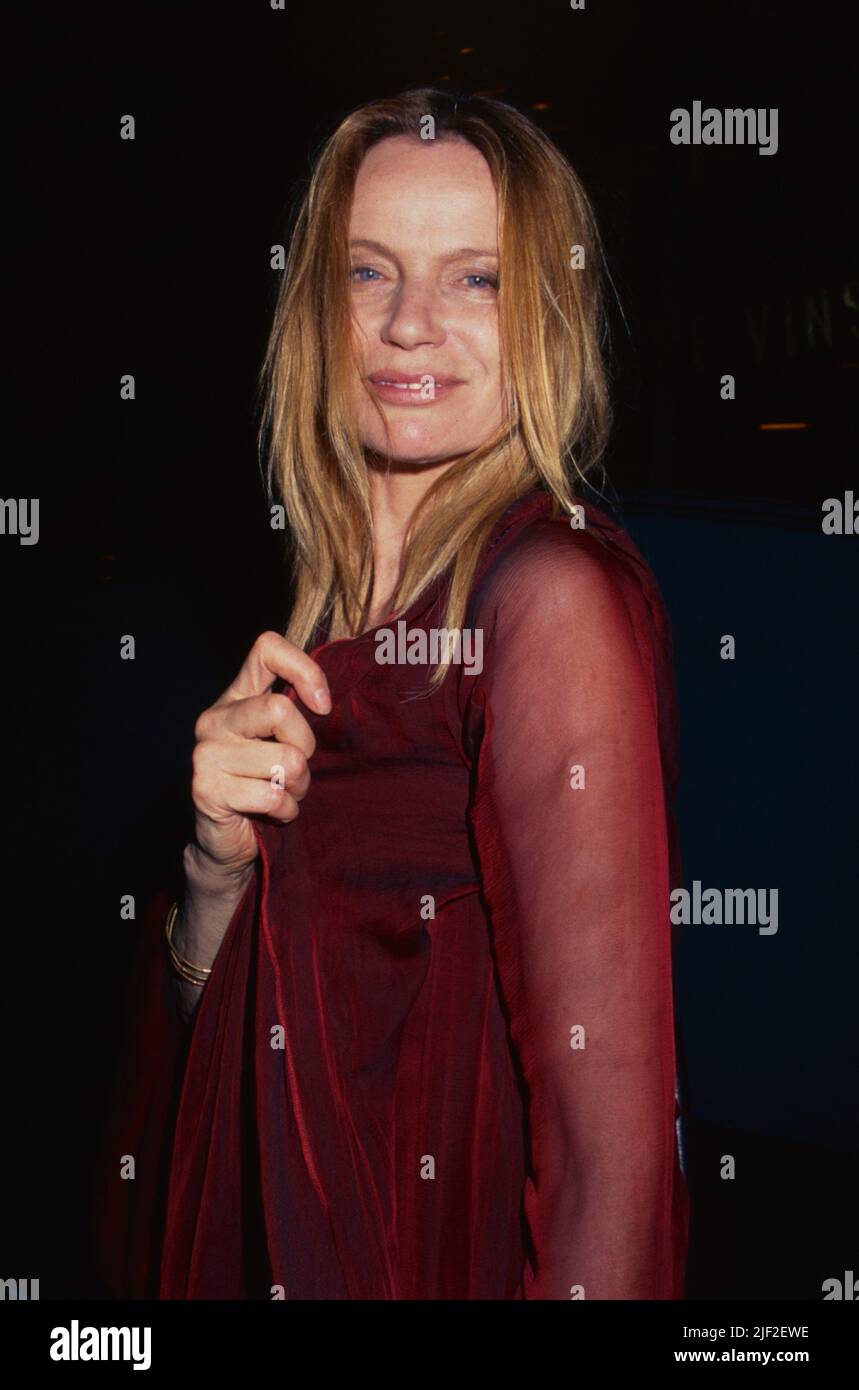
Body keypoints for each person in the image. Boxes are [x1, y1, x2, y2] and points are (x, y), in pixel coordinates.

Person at [93, 87, 690, 1300]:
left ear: (545, 319)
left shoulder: (546, 598)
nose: (410, 324)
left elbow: (607, 1151)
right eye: (369, 273)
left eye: (475, 280)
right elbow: (223, 1074)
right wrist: (213, 874)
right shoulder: (312, 634)